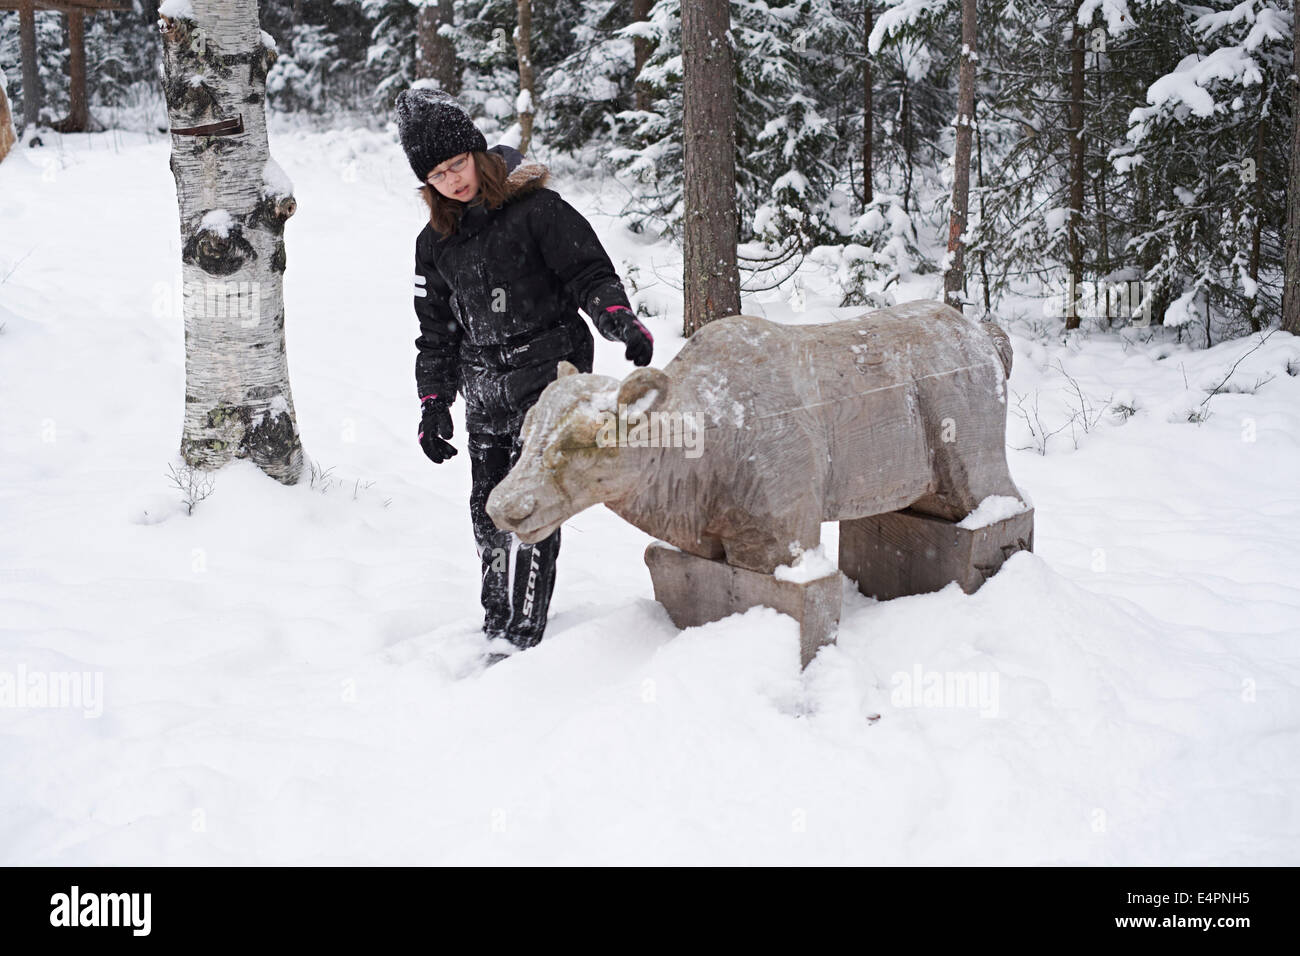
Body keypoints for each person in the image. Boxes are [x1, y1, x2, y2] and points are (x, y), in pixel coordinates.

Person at [396, 87, 655, 654]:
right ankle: (495, 618)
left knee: (534, 500)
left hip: (550, 376)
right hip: (484, 384)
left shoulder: (538, 211)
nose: (452, 181)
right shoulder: (433, 244)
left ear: (477, 152)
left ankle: (525, 633)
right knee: (488, 505)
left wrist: (619, 320)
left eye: (457, 164)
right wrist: (433, 401)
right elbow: (435, 331)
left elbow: (590, 273)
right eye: (437, 175)